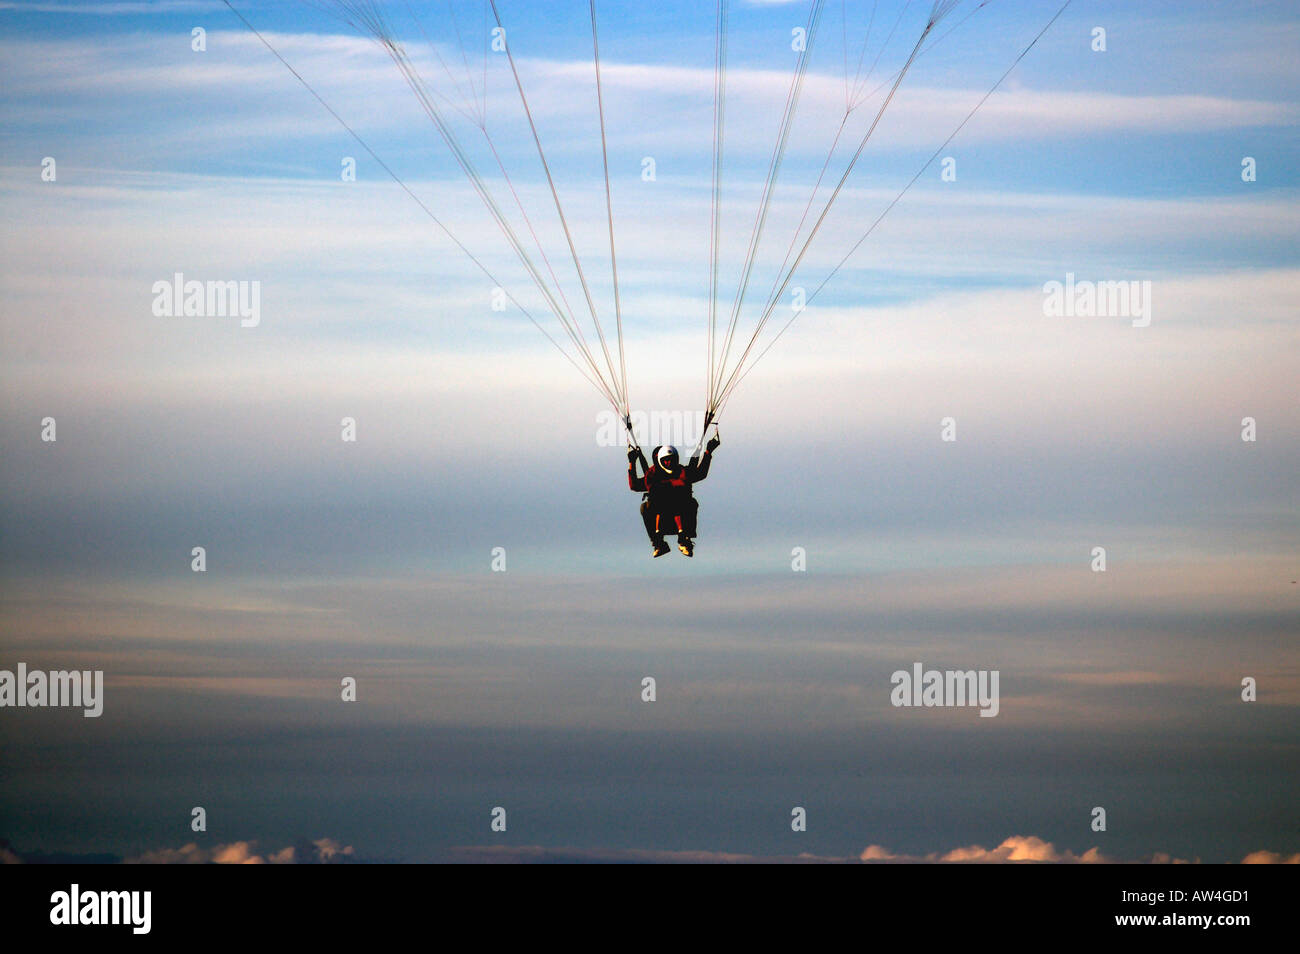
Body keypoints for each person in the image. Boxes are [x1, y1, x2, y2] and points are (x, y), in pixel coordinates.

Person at [628, 434, 720, 557]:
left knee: (690, 503)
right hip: (661, 520)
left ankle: (684, 539)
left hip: (682, 517)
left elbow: (700, 473)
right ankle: (658, 543)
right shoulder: (652, 475)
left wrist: (708, 452)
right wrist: (632, 462)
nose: (668, 462)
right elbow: (634, 485)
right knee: (645, 507)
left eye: (671, 459)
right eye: (665, 460)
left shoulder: (682, 472)